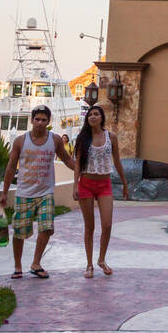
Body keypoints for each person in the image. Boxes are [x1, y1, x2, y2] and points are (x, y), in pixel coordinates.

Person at [0, 105, 75, 279]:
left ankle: (36, 263)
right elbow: (11, 167)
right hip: (24, 193)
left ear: (48, 122)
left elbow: (67, 160)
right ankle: (17, 266)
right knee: (19, 232)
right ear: (32, 120)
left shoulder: (55, 140)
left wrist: (83, 171)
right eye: (37, 119)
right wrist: (4, 192)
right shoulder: (20, 141)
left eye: (44, 120)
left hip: (45, 193)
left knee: (47, 227)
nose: (40, 123)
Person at [72, 105, 130, 278]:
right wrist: (75, 185)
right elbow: (78, 164)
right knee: (89, 226)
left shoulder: (111, 137)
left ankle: (101, 259)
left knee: (107, 224)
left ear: (102, 118)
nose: (92, 117)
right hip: (86, 184)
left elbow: (117, 161)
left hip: (105, 184)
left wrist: (124, 183)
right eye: (90, 115)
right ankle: (89, 264)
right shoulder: (83, 138)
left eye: (96, 114)